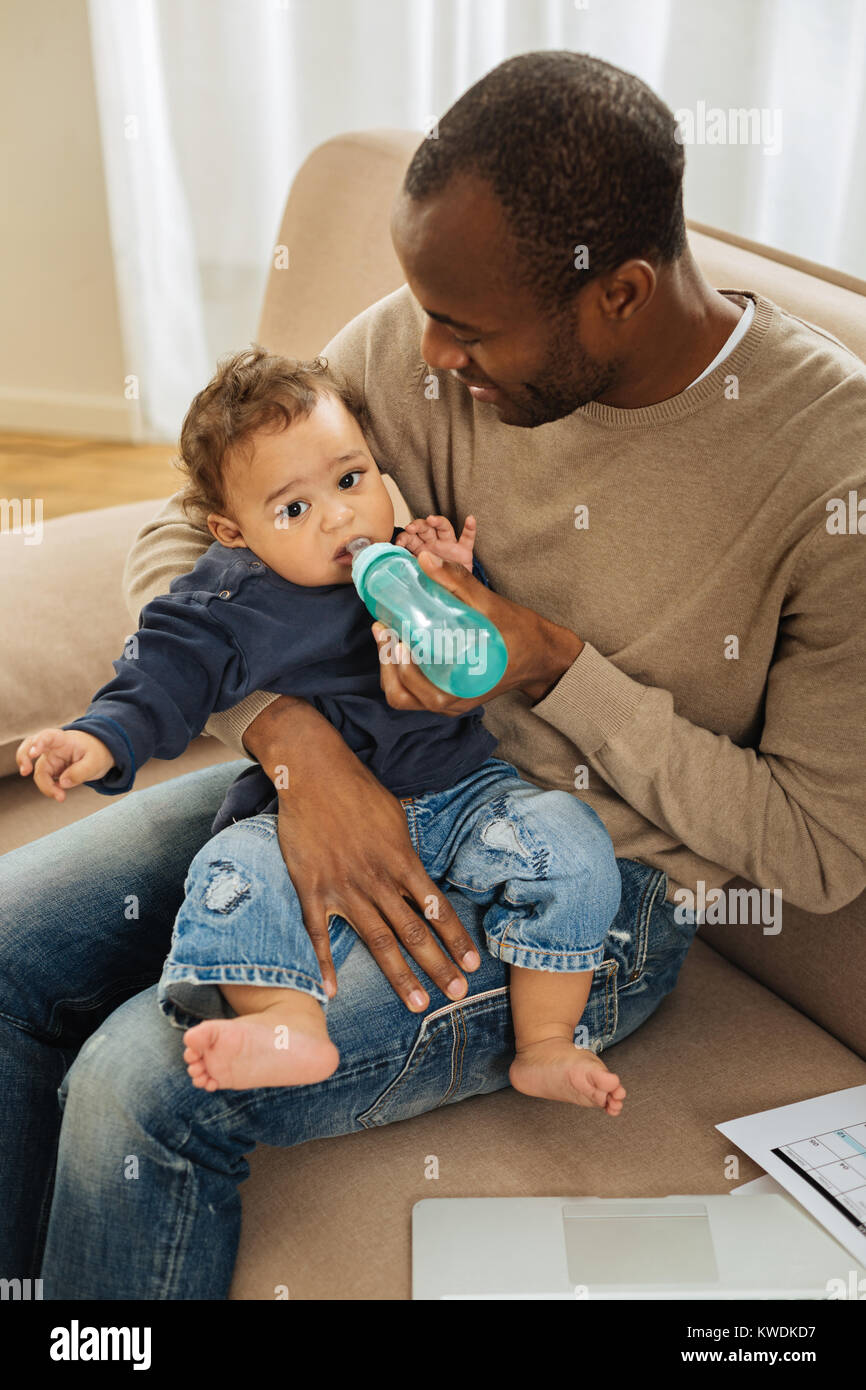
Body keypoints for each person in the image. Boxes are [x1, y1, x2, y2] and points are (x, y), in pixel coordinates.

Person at [2, 50, 864, 1301]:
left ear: (616, 295)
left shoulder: (827, 466)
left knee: (145, 1086)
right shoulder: (434, 341)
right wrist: (301, 751)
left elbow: (821, 847)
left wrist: (552, 663)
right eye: (422, 314)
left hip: (586, 890)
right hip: (366, 762)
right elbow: (189, 533)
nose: (426, 355)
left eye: (463, 329)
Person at [17, 350, 624, 1108]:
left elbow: (480, 667)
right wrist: (96, 739)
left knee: (570, 835)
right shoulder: (229, 599)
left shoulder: (410, 559)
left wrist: (461, 590)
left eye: (350, 479)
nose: (339, 515)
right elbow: (161, 674)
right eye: (293, 510)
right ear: (232, 531)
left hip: (465, 793)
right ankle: (286, 1023)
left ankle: (546, 1043)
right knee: (235, 873)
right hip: (302, 821)